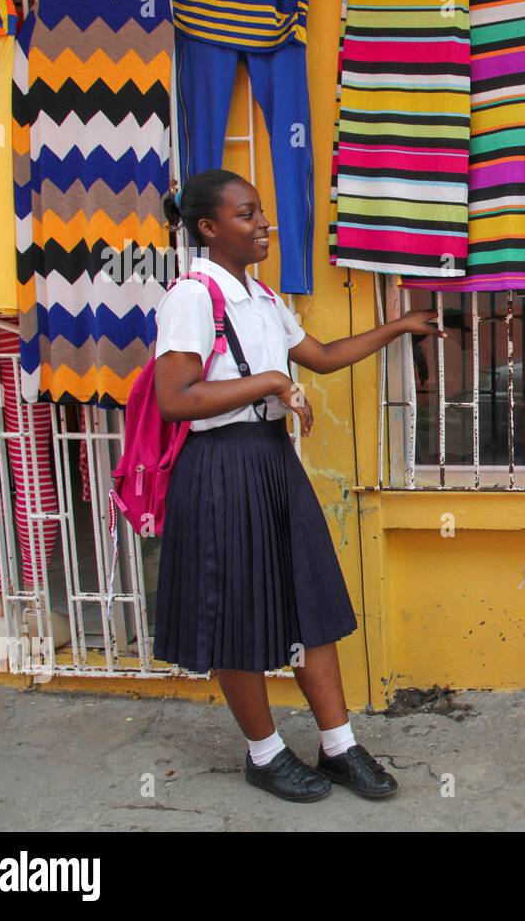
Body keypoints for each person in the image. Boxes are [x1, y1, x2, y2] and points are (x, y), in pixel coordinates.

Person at [154, 169, 440, 802]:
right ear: (208, 227)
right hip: (220, 468)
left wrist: (399, 326)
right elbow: (175, 399)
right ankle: (264, 753)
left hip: (270, 461)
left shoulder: (260, 298)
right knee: (235, 615)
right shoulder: (193, 296)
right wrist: (269, 384)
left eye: (261, 213)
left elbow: (322, 355)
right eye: (247, 214)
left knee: (309, 605)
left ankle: (338, 746)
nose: (263, 225)